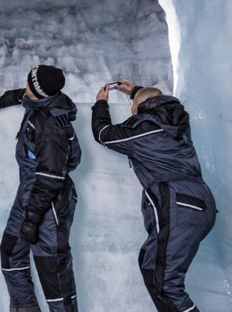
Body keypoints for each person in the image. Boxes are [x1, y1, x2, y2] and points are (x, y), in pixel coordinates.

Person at [91, 81, 216, 312]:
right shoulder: (178, 121)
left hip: (177, 204)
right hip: (200, 202)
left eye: (133, 109)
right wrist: (137, 93)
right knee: (150, 264)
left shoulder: (143, 128)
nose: (132, 113)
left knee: (168, 285)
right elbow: (155, 103)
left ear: (139, 109)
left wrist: (100, 104)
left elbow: (104, 134)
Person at [0, 65, 82, 312]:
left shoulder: (48, 125)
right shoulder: (42, 101)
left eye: (30, 81)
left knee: (54, 276)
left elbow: (51, 177)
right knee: (11, 254)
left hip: (48, 202)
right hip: (29, 195)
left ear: (39, 91)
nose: (25, 84)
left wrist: (32, 218)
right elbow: (21, 94)